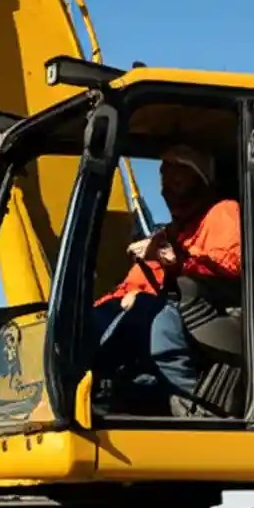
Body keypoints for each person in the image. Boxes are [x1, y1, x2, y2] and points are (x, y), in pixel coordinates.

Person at [90, 144, 241, 413]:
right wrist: (113, 303)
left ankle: (197, 406)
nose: (166, 186)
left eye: (177, 175)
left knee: (152, 312)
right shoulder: (167, 235)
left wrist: (174, 259)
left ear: (199, 176)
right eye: (163, 175)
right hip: (163, 309)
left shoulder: (223, 213)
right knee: (90, 322)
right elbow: (133, 285)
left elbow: (232, 266)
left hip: (206, 312)